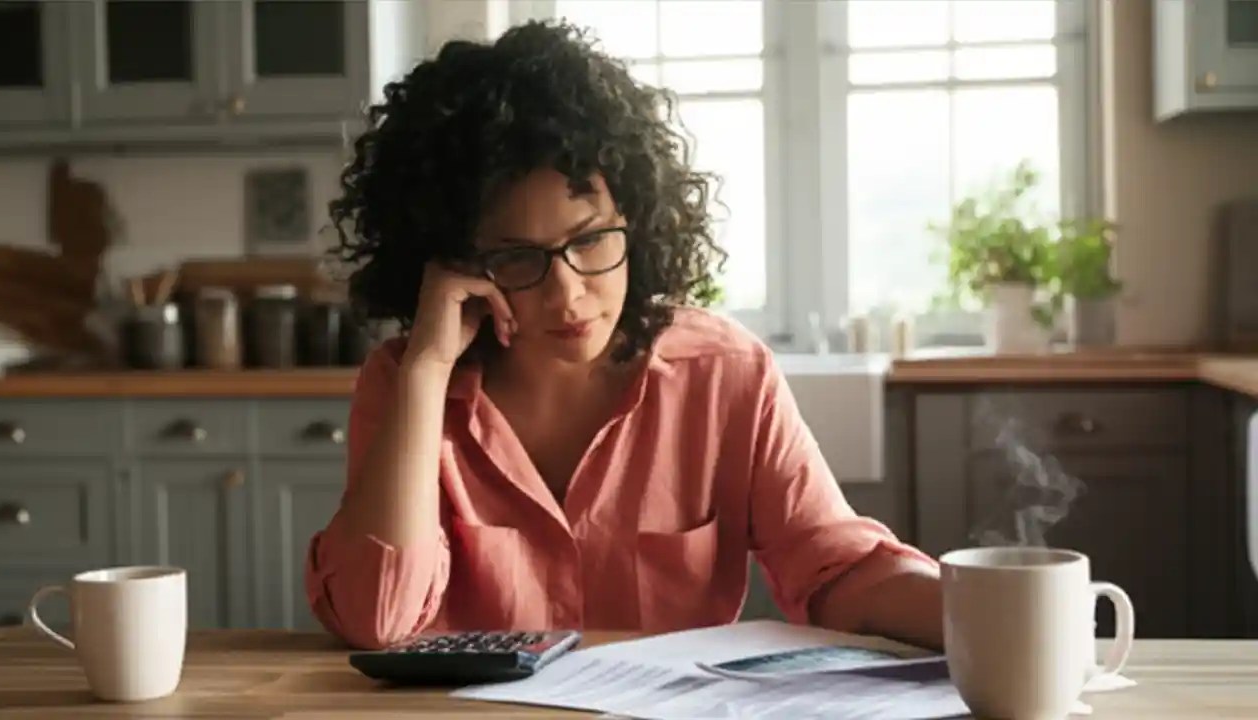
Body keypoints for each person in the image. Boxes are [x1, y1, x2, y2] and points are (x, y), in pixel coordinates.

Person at [305, 20, 943, 652]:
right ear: (456, 261)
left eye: (589, 240)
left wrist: (977, 604)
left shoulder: (726, 373)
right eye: (518, 257)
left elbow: (836, 567)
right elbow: (376, 616)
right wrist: (425, 371)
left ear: (635, 220)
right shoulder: (408, 381)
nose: (568, 291)